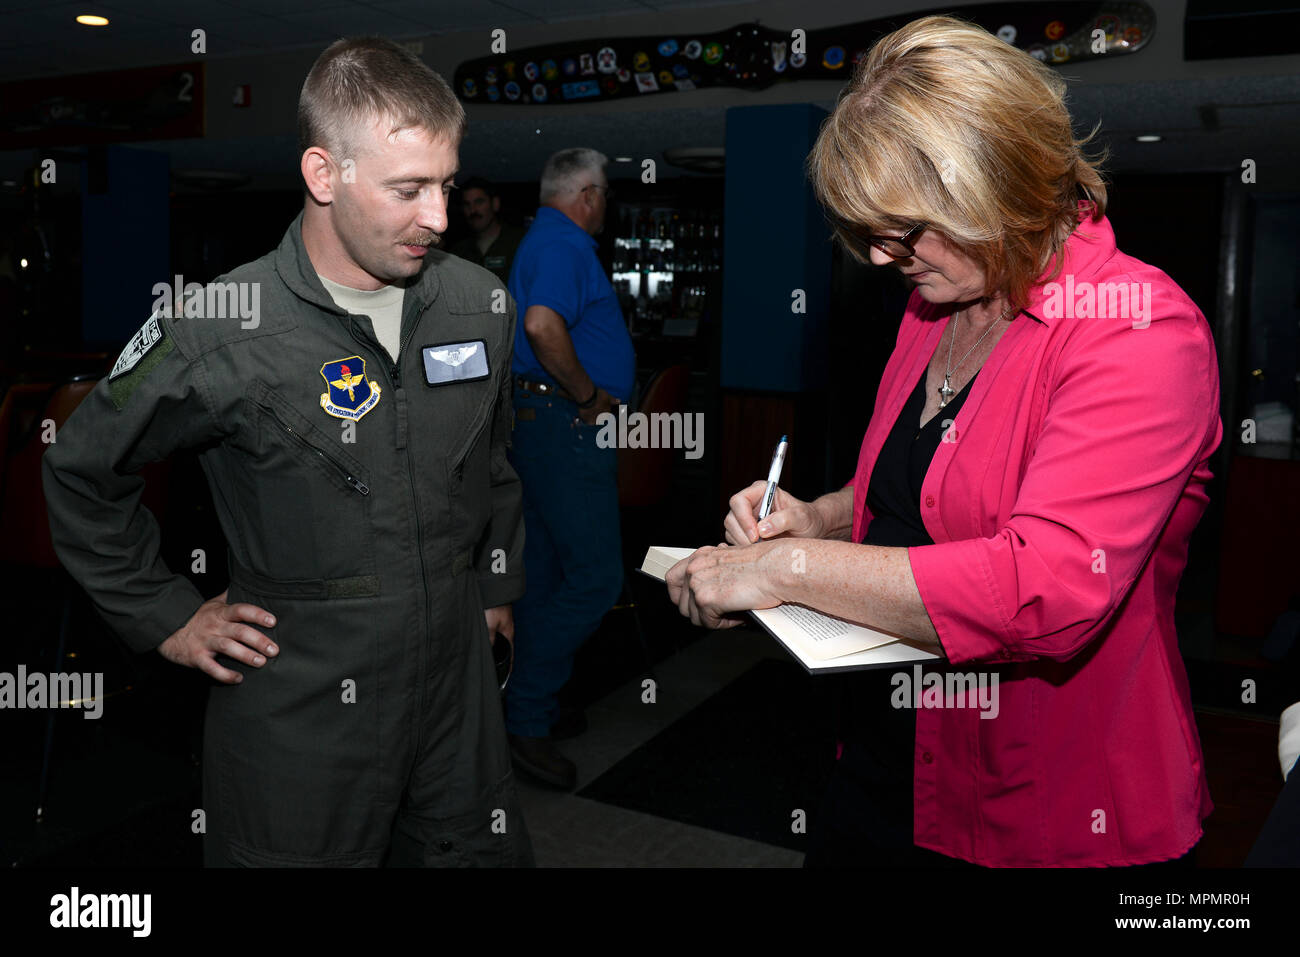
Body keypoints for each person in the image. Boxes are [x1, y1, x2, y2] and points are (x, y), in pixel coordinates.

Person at [667, 15, 1222, 867]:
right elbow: (910, 492)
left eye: (906, 229)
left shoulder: (1136, 328)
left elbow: (1049, 587)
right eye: (870, 234)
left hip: (1055, 806)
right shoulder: (934, 309)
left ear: (997, 182)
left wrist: (782, 569)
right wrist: (818, 518)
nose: (885, 258)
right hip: (895, 759)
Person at [42, 36, 533, 867]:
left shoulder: (477, 302)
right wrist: (166, 615)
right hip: (303, 697)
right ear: (323, 175)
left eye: (446, 186)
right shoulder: (221, 323)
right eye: (408, 189)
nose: (440, 218)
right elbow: (81, 470)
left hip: (457, 686)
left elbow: (492, 459)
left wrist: (492, 586)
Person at [505, 148, 634, 789]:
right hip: (565, 425)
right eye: (604, 193)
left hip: (542, 426)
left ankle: (533, 709)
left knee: (547, 576)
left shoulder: (541, 240)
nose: (605, 204)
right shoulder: (565, 243)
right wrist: (586, 395)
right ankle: (523, 709)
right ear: (586, 194)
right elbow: (540, 323)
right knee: (595, 580)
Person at [449, 177, 526, 284]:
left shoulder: (519, 243)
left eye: (479, 202)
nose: (473, 210)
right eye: (467, 204)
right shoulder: (459, 252)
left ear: (495, 204)